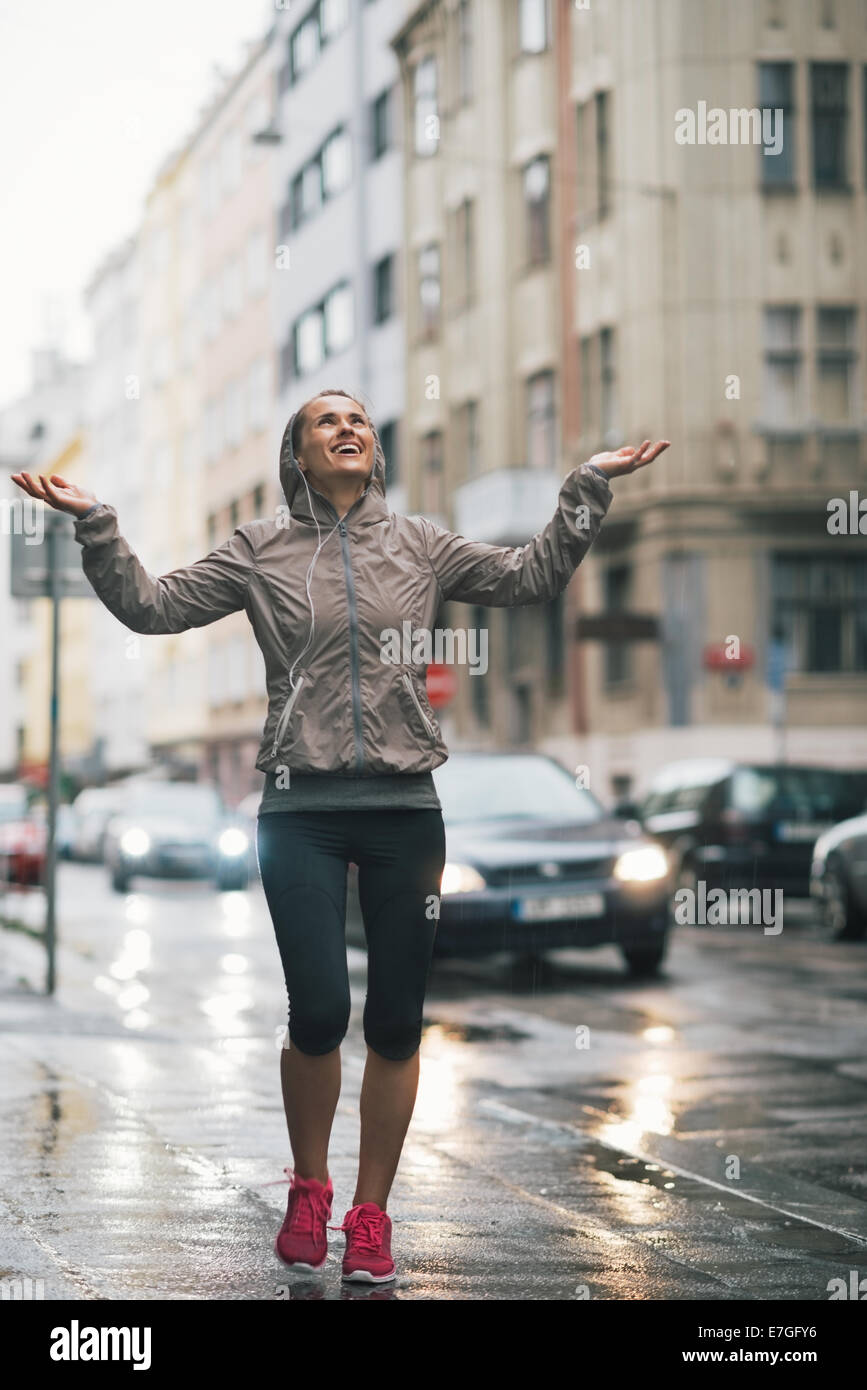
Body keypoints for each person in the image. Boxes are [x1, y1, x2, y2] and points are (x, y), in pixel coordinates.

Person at [11, 393, 669, 1283]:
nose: (348, 429)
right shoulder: (258, 550)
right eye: (326, 422)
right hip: (300, 807)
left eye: (358, 420)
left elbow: (528, 580)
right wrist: (98, 525)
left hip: (404, 807)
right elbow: (153, 609)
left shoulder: (421, 545)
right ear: (298, 454)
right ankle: (310, 1189)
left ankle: (370, 1216)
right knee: (319, 1012)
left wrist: (584, 489)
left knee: (396, 1022)